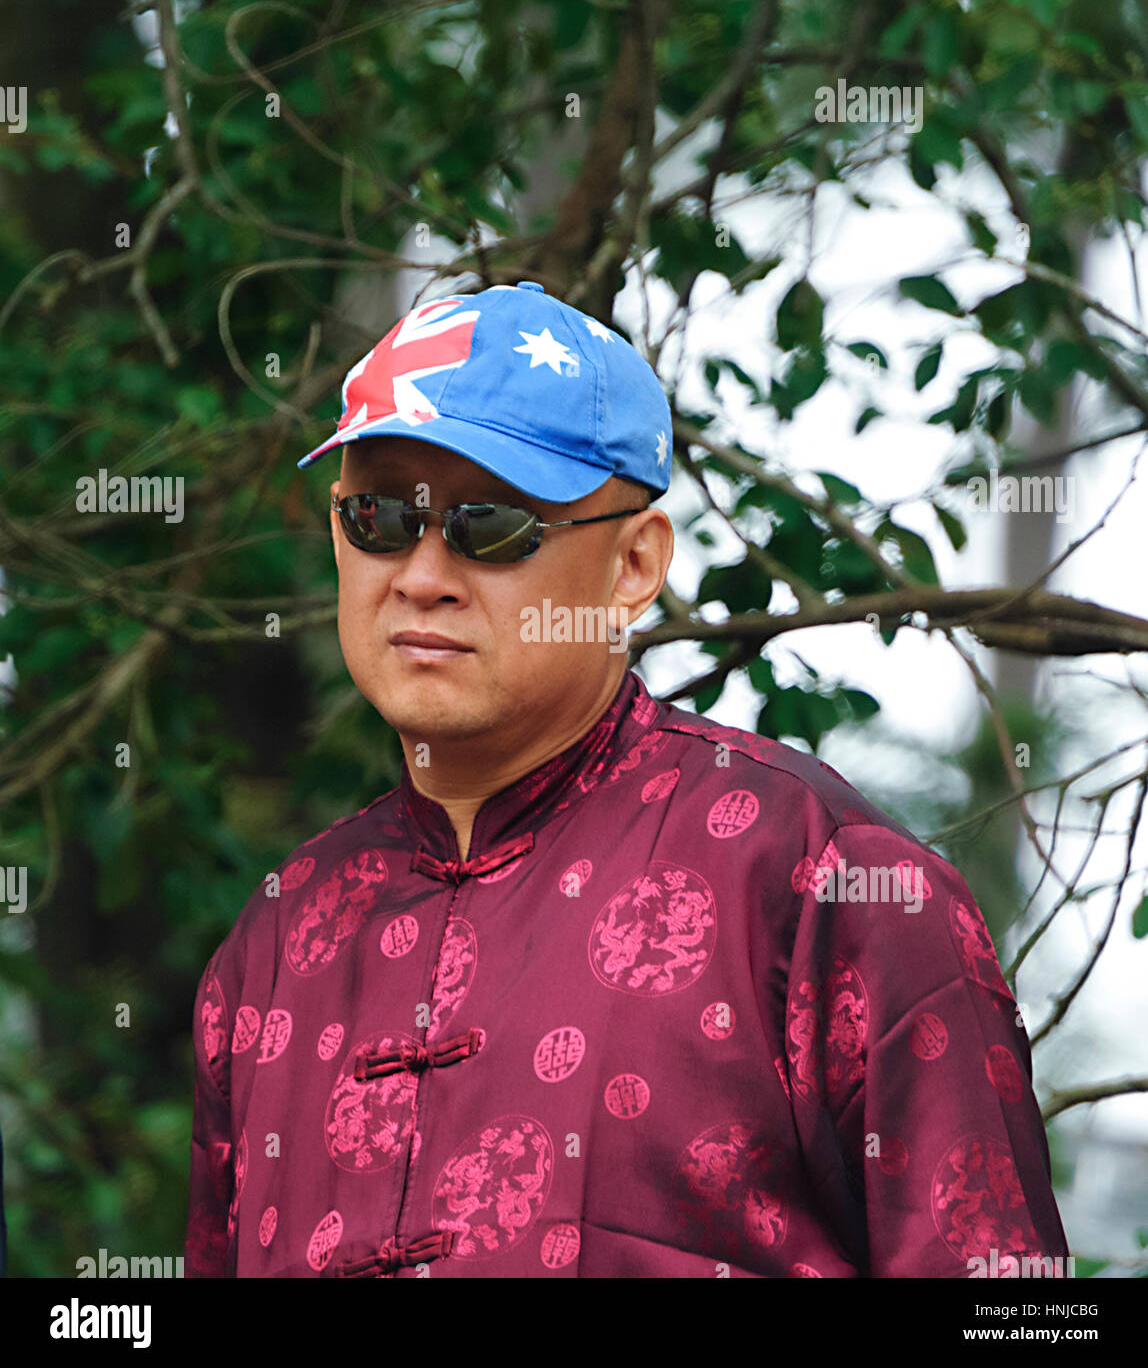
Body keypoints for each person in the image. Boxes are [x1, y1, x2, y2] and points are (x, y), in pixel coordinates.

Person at [185, 280, 1069, 1277]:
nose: (421, 573)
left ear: (633, 565)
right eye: (381, 518)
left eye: (489, 524)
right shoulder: (276, 939)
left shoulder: (821, 882)